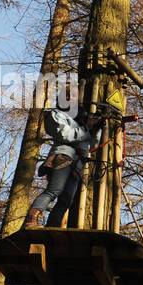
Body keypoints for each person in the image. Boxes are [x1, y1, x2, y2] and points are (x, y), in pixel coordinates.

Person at [24, 88, 104, 229]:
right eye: (68, 96)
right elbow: (64, 134)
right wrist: (87, 129)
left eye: (74, 97)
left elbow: (92, 144)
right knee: (54, 190)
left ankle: (53, 227)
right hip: (63, 156)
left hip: (78, 163)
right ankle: (31, 219)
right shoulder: (55, 115)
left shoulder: (80, 122)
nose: (71, 99)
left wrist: (96, 128)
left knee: (67, 199)